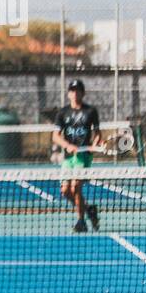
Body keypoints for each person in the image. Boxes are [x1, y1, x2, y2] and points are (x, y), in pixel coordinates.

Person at [52, 78, 103, 233]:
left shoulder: (91, 111)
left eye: (78, 91)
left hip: (83, 156)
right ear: (69, 94)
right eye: (72, 91)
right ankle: (88, 210)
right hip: (68, 158)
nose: (75, 94)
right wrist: (67, 146)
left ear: (83, 93)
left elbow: (98, 134)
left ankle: (81, 222)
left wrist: (95, 144)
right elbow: (55, 136)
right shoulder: (62, 113)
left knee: (76, 187)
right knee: (65, 191)